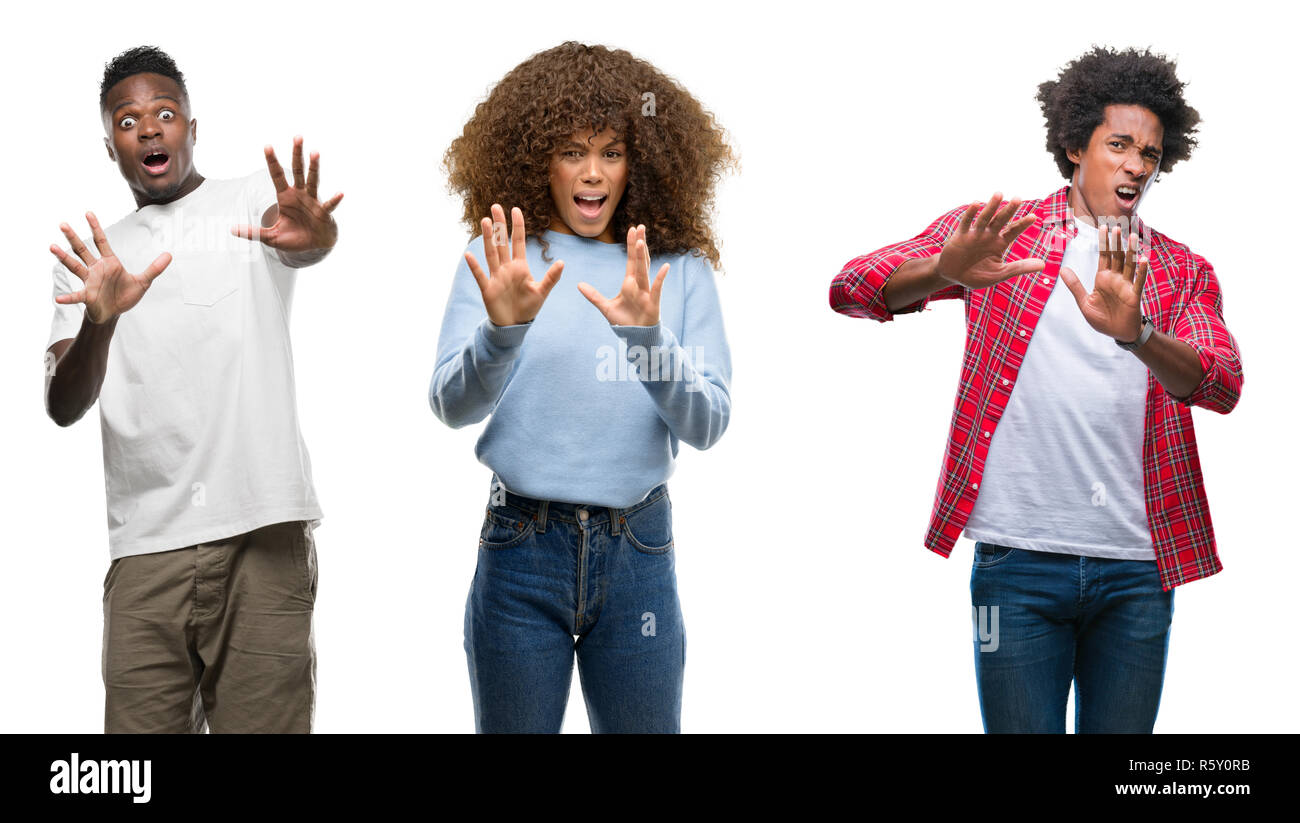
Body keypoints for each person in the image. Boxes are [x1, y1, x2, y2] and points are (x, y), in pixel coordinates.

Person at [829, 46, 1242, 733]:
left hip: (1138, 573)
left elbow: (1221, 382)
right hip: (1014, 568)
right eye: (1119, 145)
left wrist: (1138, 333)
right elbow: (850, 288)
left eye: (1150, 152)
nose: (1137, 165)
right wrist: (943, 268)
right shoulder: (1002, 234)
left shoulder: (1179, 269)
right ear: (1075, 146)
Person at [431, 41, 735, 733]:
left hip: (639, 553)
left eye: (612, 151)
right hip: (519, 549)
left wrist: (648, 343)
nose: (592, 173)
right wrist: (501, 333)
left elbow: (709, 423)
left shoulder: (675, 267)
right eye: (571, 150)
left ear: (642, 158)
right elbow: (450, 404)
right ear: (538, 157)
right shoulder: (497, 254)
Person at [43, 46, 342, 733]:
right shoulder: (95, 259)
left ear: (191, 126)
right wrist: (100, 321)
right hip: (146, 549)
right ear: (111, 145)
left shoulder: (246, 203)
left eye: (165, 113)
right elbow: (63, 403)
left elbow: (300, 241)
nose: (149, 129)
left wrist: (315, 237)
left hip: (260, 532)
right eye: (128, 121)